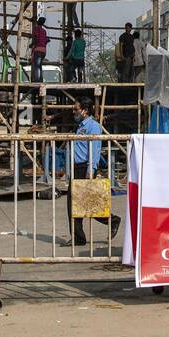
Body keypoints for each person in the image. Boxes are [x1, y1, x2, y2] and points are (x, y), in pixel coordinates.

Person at [66, 101, 119, 246]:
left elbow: (94, 150)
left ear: (85, 110)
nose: (74, 112)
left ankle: (113, 220)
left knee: (89, 204)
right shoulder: (81, 127)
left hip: (85, 168)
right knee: (73, 204)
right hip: (76, 167)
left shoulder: (93, 127)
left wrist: (91, 169)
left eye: (76, 109)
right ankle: (78, 237)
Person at [31, 16, 49, 83]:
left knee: (37, 66)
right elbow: (45, 41)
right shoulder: (44, 31)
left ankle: (37, 80)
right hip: (44, 50)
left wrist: (32, 44)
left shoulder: (36, 29)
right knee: (39, 66)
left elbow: (36, 38)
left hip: (38, 49)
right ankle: (40, 79)